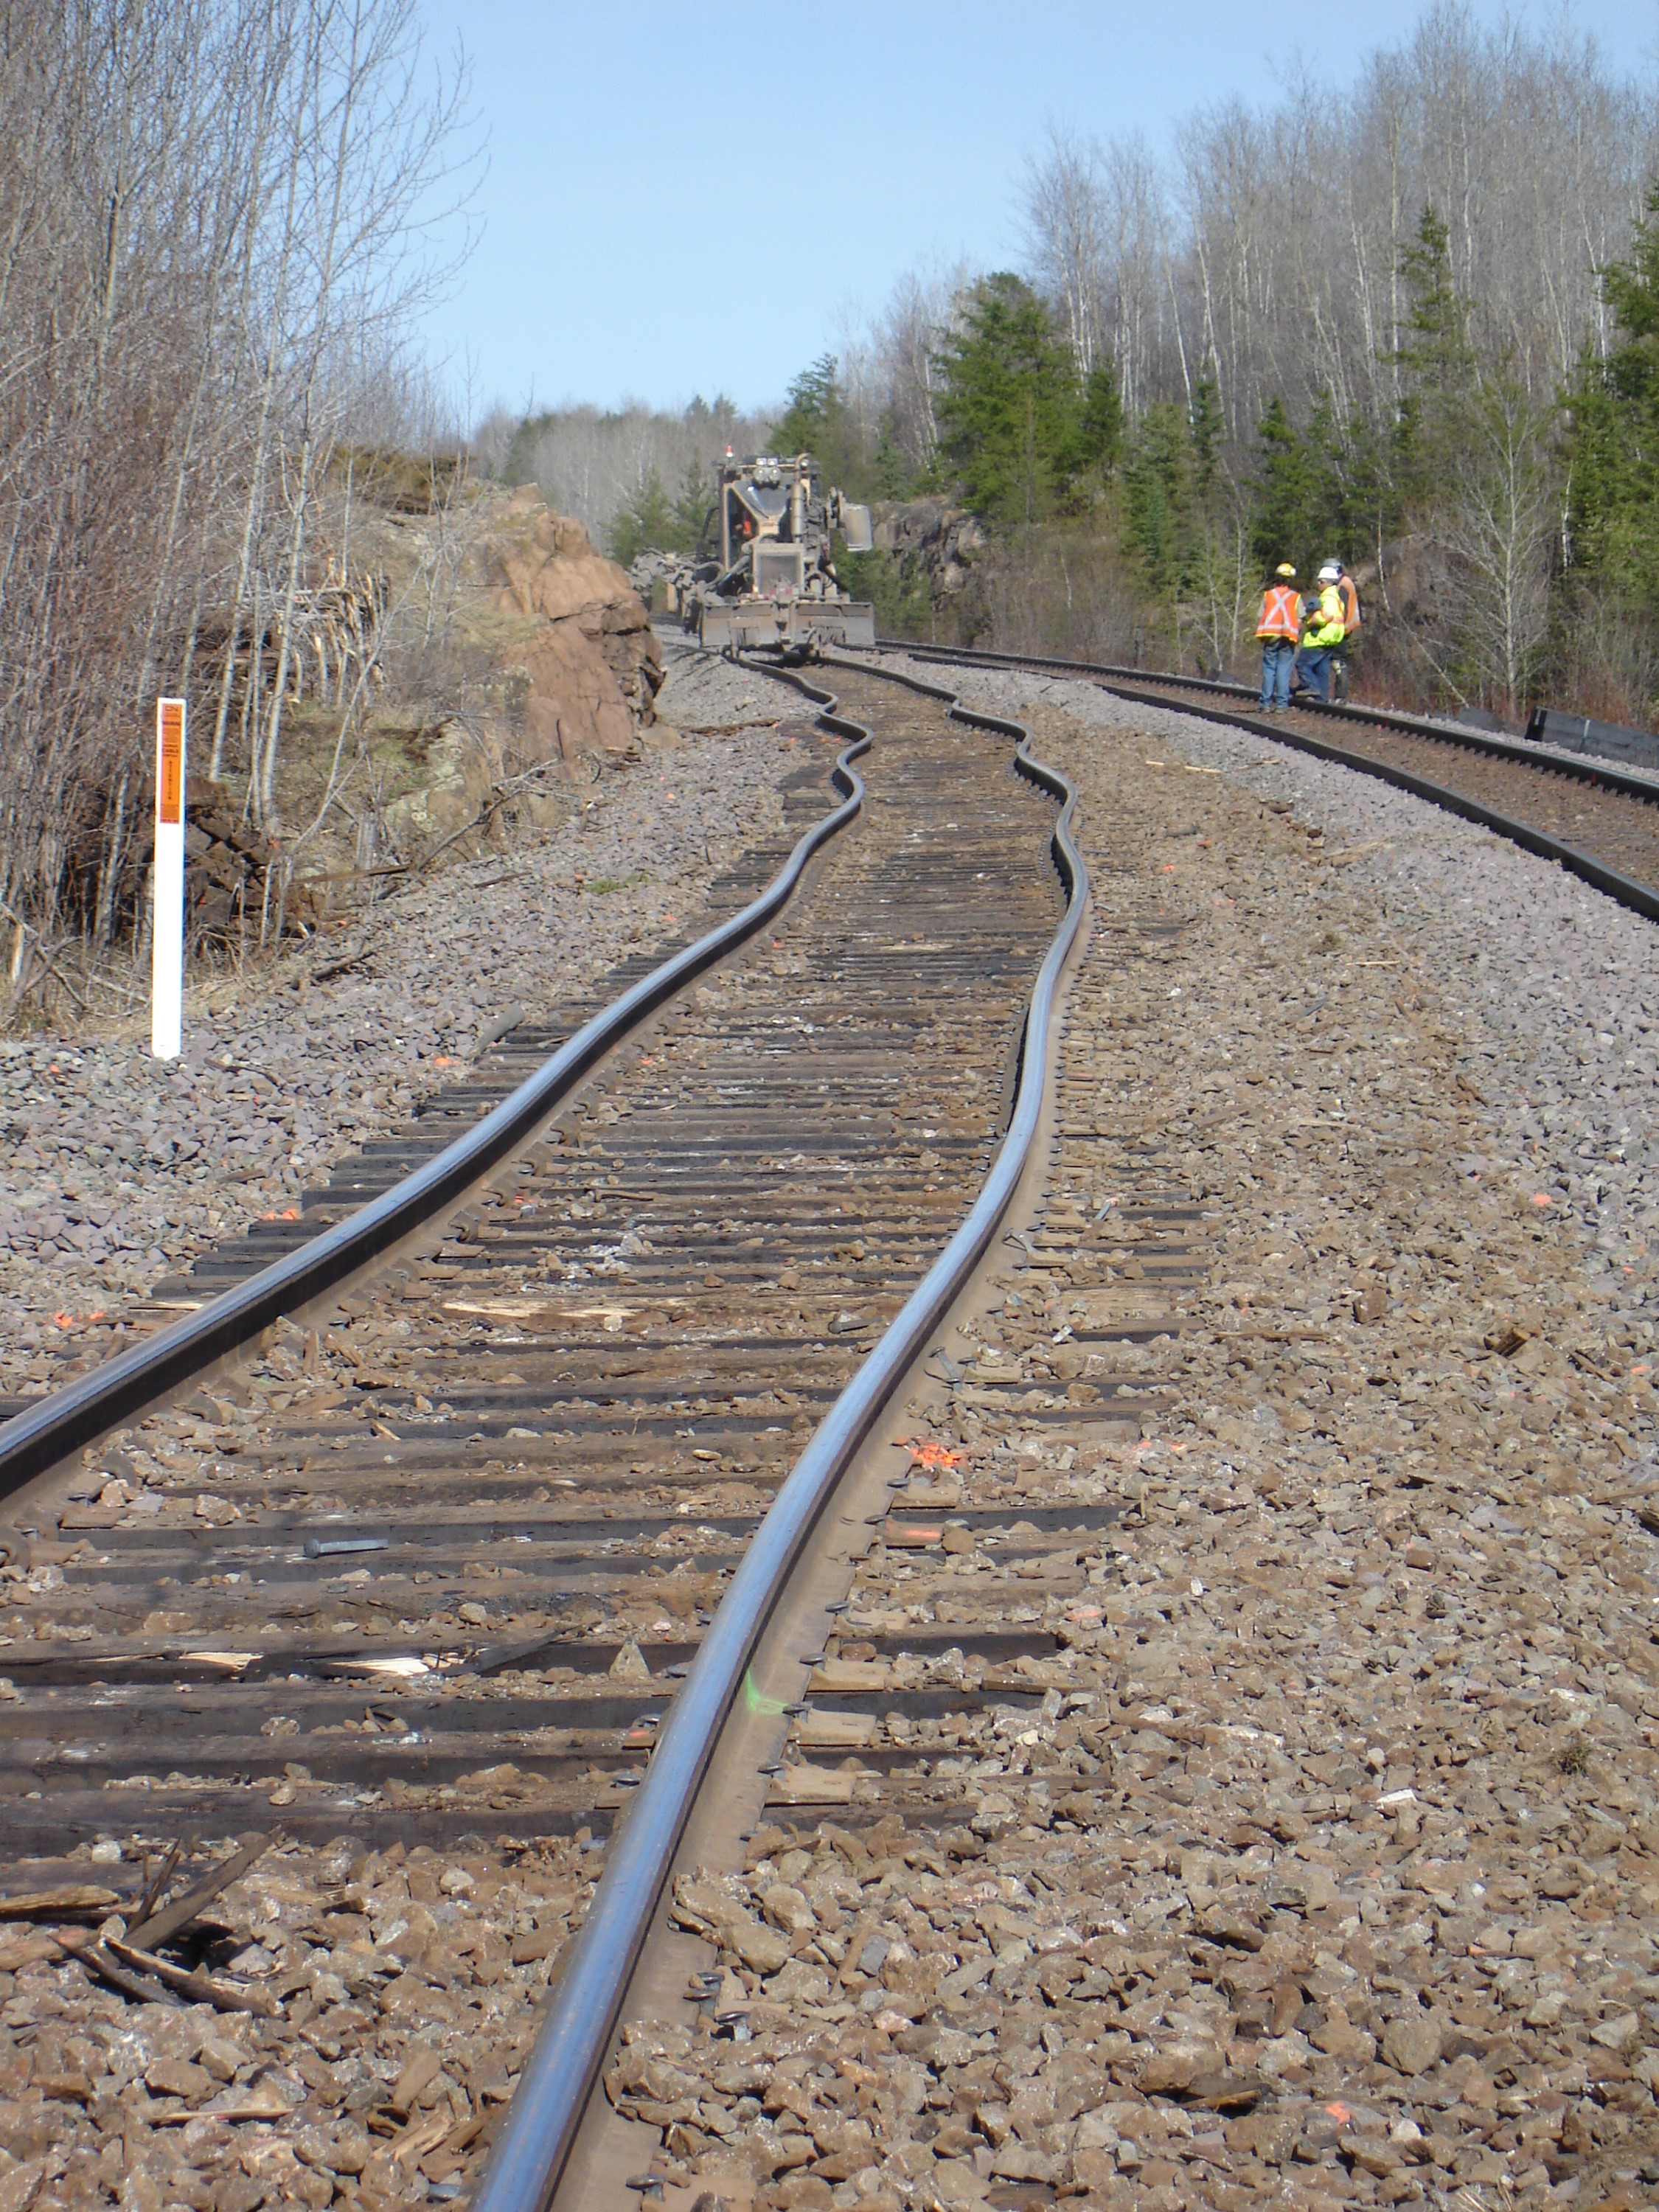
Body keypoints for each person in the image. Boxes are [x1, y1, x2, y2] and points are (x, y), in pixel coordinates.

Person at [1295, 563, 1348, 703]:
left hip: (1319, 639)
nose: (1318, 583)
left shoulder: (1328, 597)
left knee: (1302, 665)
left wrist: (1311, 620)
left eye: (1321, 581)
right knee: (1322, 672)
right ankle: (1322, 700)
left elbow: (1327, 616)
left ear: (1329, 583)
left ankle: (1312, 688)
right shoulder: (1336, 598)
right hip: (1330, 641)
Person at [1253, 562, 1301, 713]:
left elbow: (1261, 615)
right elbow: (1300, 619)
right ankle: (1281, 705)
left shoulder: (1269, 595)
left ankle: (1265, 704)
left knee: (1269, 668)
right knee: (1283, 669)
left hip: (1271, 636)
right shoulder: (1295, 597)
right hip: (1288, 637)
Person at [1329, 558, 1361, 702]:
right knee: (1339, 662)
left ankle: (1340, 696)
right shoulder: (1347, 583)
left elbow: (1341, 610)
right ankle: (1339, 696)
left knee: (1338, 662)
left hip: (1342, 629)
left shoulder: (1343, 586)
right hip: (1346, 628)